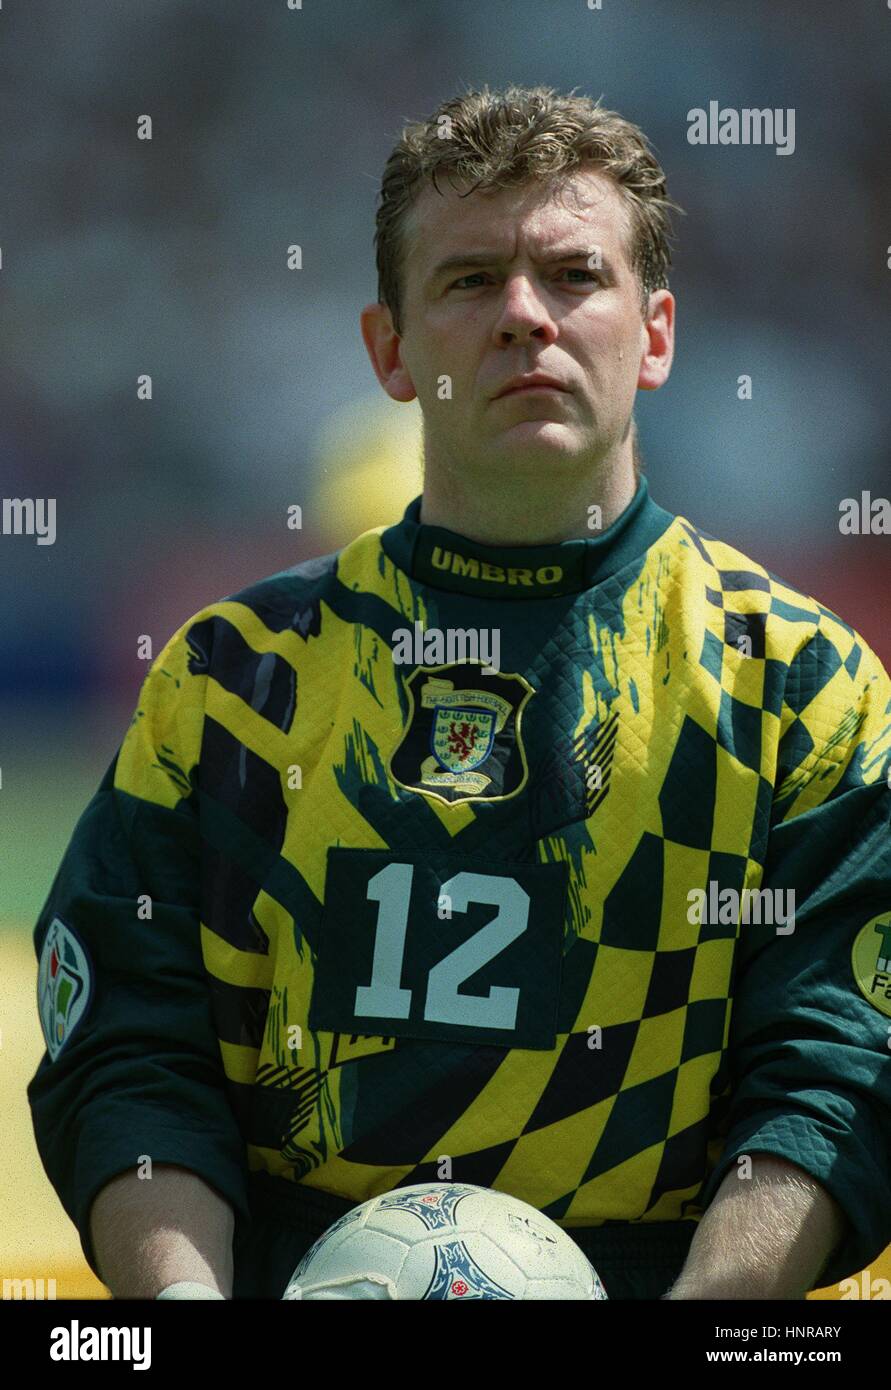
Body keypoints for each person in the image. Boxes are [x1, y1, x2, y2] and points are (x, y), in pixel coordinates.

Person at [28, 84, 891, 1301]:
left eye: (575, 275)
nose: (526, 317)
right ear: (391, 350)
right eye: (471, 280)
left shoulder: (807, 691)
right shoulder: (233, 678)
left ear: (655, 335)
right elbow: (129, 1046)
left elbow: (840, 1067)